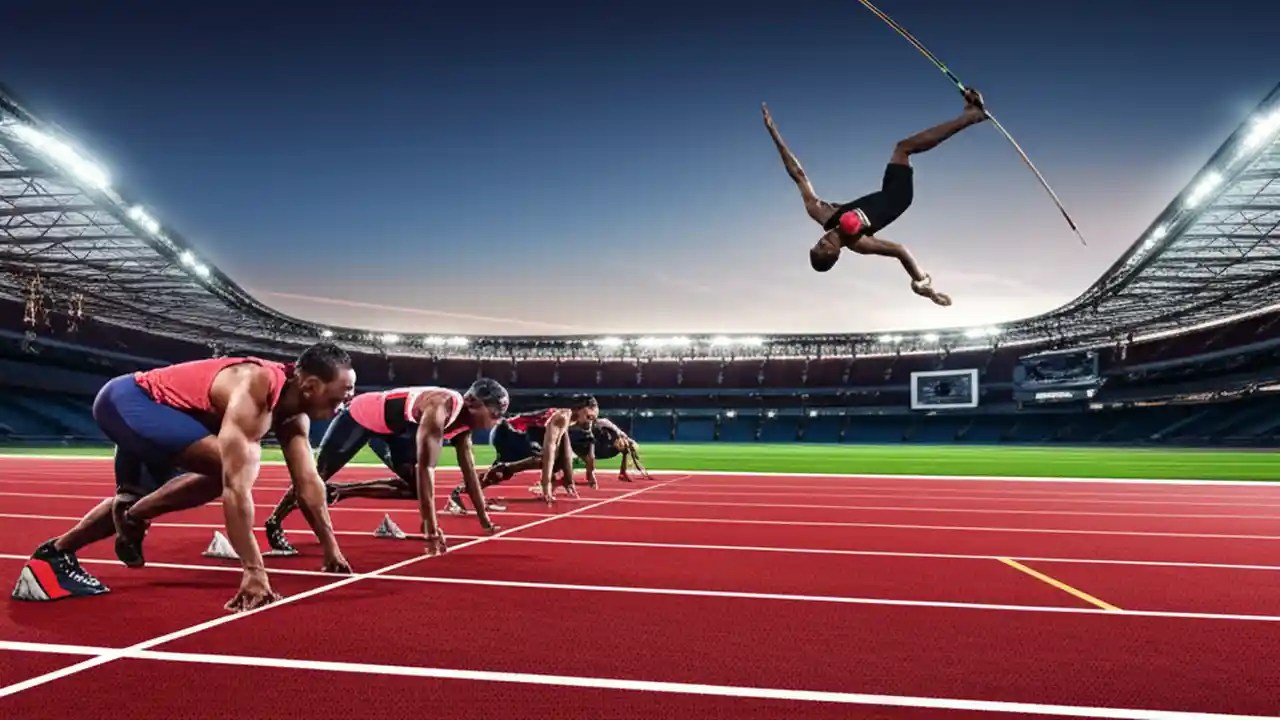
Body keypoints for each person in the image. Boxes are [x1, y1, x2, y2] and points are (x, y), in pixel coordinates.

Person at [11, 343, 356, 612]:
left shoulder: (294, 415)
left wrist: (332, 551)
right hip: (130, 402)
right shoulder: (255, 388)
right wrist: (254, 572)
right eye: (342, 395)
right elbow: (234, 488)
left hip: (163, 418)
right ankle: (134, 513)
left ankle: (56, 553)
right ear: (310, 385)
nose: (345, 404)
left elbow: (308, 484)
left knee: (130, 501)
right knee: (233, 466)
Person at [762, 88, 990, 305]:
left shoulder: (822, 213)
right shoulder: (859, 243)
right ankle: (972, 116)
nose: (823, 242)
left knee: (902, 148)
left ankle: (970, 114)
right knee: (903, 148)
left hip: (885, 189)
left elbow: (798, 175)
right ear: (835, 255)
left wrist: (774, 134)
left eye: (818, 244)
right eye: (824, 249)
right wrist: (924, 286)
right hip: (898, 198)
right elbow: (900, 251)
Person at [263, 379, 510, 557]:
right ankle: (274, 522)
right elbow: (426, 468)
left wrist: (485, 520)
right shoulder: (441, 406)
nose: (496, 421)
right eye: (495, 413)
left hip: (393, 432)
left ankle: (340, 491)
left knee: (415, 489)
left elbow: (470, 475)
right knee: (315, 476)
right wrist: (431, 528)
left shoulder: (463, 429)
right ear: (472, 402)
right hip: (361, 416)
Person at [445, 396, 599, 512]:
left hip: (515, 433)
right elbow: (550, 450)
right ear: (582, 407)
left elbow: (564, 453)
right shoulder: (562, 417)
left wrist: (568, 481)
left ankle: (462, 493)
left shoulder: (566, 421)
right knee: (538, 459)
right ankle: (461, 493)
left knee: (503, 472)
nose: (591, 421)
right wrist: (546, 485)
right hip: (509, 431)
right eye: (591, 415)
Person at [568, 417, 649, 483]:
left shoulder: (614, 444)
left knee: (624, 450)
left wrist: (632, 447)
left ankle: (622, 473)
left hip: (594, 446)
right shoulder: (604, 425)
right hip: (579, 438)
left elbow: (627, 442)